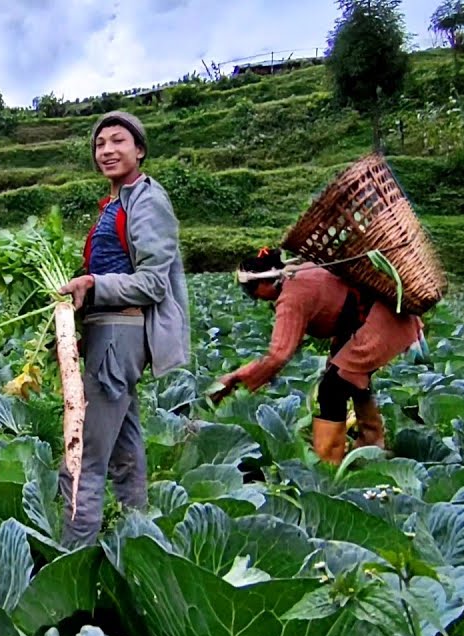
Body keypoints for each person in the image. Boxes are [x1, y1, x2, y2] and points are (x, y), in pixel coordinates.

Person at [54, 111, 191, 548]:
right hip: (104, 332)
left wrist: (93, 285)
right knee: (125, 445)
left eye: (118, 141)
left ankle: (72, 559)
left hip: (120, 334)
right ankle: (139, 538)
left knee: (83, 457)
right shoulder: (113, 204)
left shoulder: (147, 200)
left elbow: (153, 281)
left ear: (140, 150)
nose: (108, 150)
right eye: (100, 144)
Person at [211, 248, 423, 463]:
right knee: (350, 380)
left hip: (378, 326)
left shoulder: (291, 297)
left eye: (252, 291)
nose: (256, 298)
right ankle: (373, 445)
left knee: (332, 390)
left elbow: (278, 355)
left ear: (266, 283)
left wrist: (236, 378)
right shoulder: (302, 271)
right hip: (380, 319)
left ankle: (329, 460)